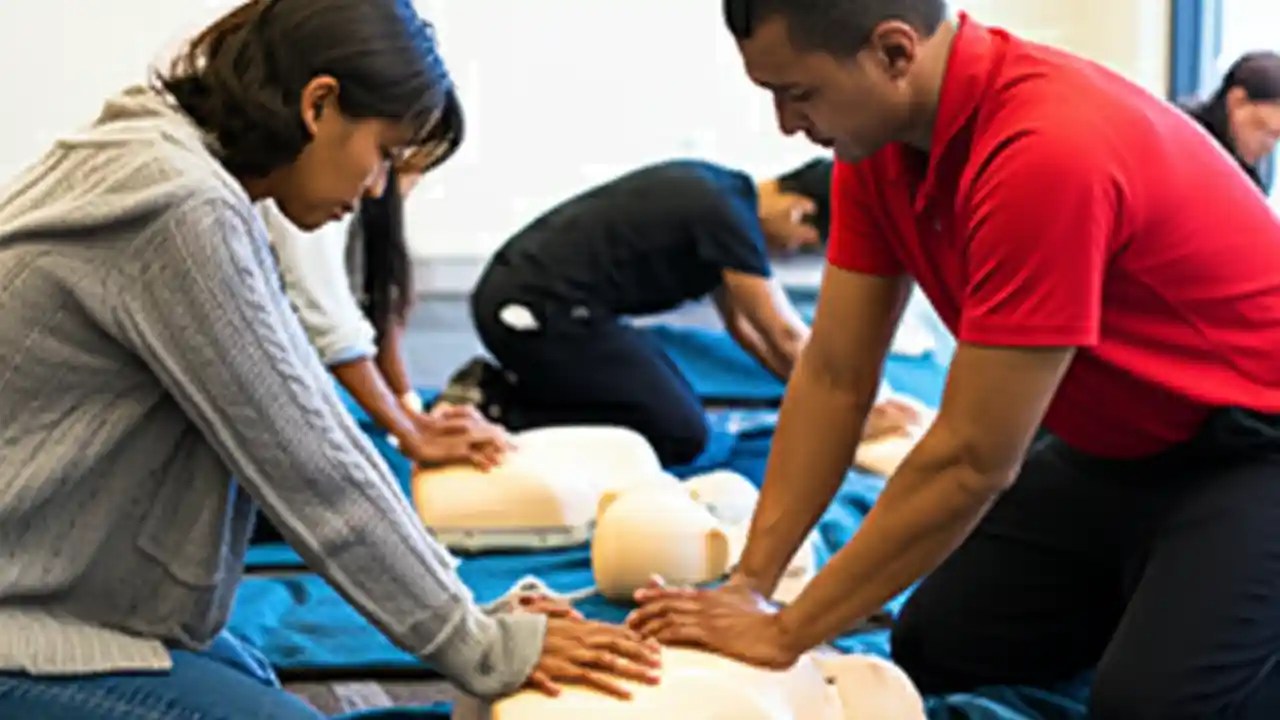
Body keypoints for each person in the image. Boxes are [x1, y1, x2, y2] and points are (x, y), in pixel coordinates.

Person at [0, 1, 660, 717]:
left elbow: (306, 408)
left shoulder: (167, 158)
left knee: (253, 681)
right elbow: (307, 459)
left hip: (60, 590)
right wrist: (480, 641)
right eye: (384, 154)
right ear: (319, 106)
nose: (377, 188)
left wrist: (478, 613)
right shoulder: (180, 209)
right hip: (21, 617)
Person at [628, 2, 1280, 719]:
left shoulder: (1045, 149)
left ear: (894, 53)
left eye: (799, 93)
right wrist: (750, 587)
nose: (786, 124)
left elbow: (974, 458)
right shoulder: (876, 146)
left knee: (1150, 708)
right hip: (1120, 444)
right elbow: (835, 375)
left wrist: (787, 632)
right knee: (939, 644)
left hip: (1253, 445)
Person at [452, 158, 826, 467]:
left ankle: (502, 391)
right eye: (805, 247)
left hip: (547, 306)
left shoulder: (722, 195)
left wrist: (804, 396)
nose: (790, 254)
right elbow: (784, 333)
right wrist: (848, 409)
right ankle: (495, 406)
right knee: (681, 434)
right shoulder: (726, 214)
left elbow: (745, 328)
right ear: (800, 212)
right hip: (533, 312)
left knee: (673, 406)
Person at [261, 146, 508, 472]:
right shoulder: (309, 196)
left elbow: (376, 320)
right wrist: (409, 430)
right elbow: (332, 327)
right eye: (390, 158)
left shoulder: (361, 210)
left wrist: (411, 410)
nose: (381, 188)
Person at [1185, 50, 1280, 192]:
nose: (1268, 149)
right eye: (1265, 133)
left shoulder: (1253, 175)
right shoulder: (1182, 139)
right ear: (1237, 100)